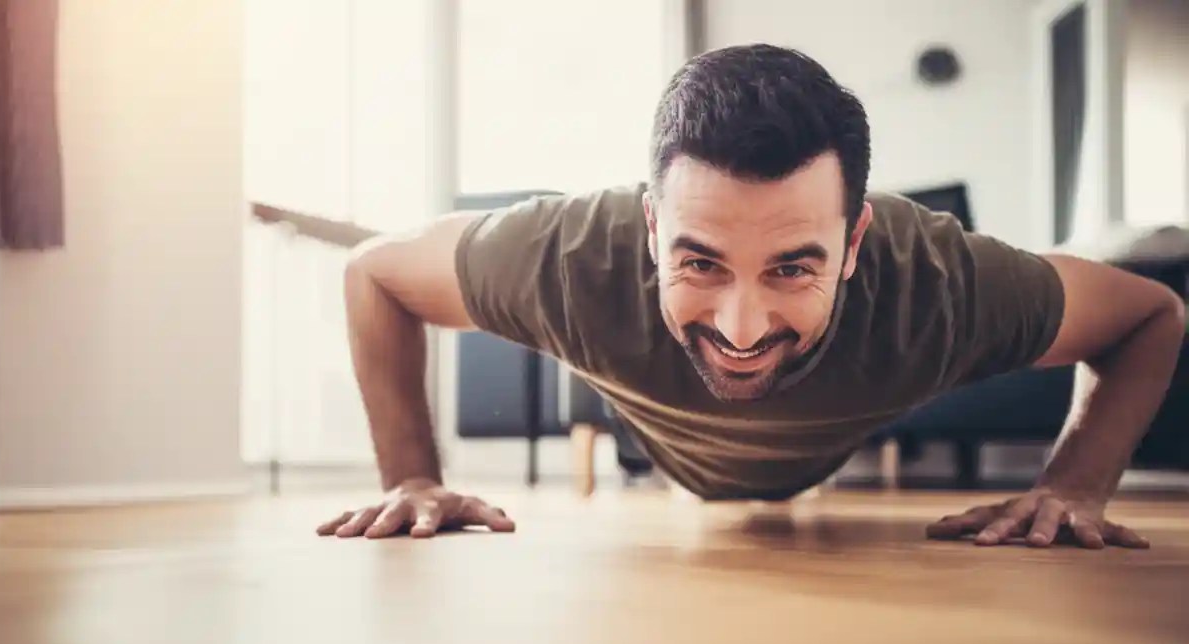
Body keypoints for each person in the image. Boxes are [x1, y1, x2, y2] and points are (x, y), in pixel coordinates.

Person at [315, 44, 1184, 549]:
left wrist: (1075, 484)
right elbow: (376, 274)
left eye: (791, 269)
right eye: (699, 263)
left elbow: (1151, 315)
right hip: (654, 441)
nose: (740, 328)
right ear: (651, 229)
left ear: (855, 246)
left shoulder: (944, 284)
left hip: (821, 454)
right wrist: (413, 476)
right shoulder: (564, 255)